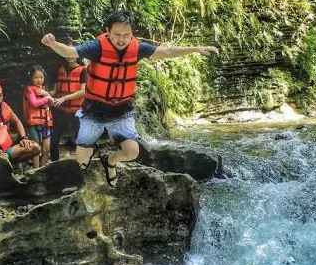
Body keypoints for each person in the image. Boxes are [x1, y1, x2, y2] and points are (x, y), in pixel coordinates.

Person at [41, 10, 219, 187]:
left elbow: (166, 52)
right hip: (93, 109)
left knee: (132, 151)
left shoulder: (138, 48)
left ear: (132, 34)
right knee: (81, 159)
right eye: (117, 34)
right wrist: (53, 44)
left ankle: (110, 161)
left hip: (121, 110)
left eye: (127, 35)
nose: (121, 39)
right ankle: (90, 150)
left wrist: (195, 49)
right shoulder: (97, 47)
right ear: (108, 31)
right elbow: (69, 51)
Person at [50, 55, 87, 162]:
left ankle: (83, 163)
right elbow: (55, 91)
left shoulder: (83, 70)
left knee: (82, 141)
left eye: (72, 54)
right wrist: (44, 94)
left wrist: (64, 98)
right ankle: (54, 164)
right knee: (54, 141)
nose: (70, 56)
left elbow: (83, 91)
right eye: (67, 54)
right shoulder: (60, 69)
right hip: (61, 111)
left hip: (77, 112)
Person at [22, 65, 55, 168]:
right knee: (36, 148)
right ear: (31, 78)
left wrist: (47, 94)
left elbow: (53, 103)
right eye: (36, 77)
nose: (39, 80)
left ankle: (42, 169)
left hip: (46, 122)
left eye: (41, 77)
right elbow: (34, 103)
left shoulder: (44, 90)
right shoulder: (29, 89)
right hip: (34, 123)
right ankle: (36, 170)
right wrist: (47, 97)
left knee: (46, 149)